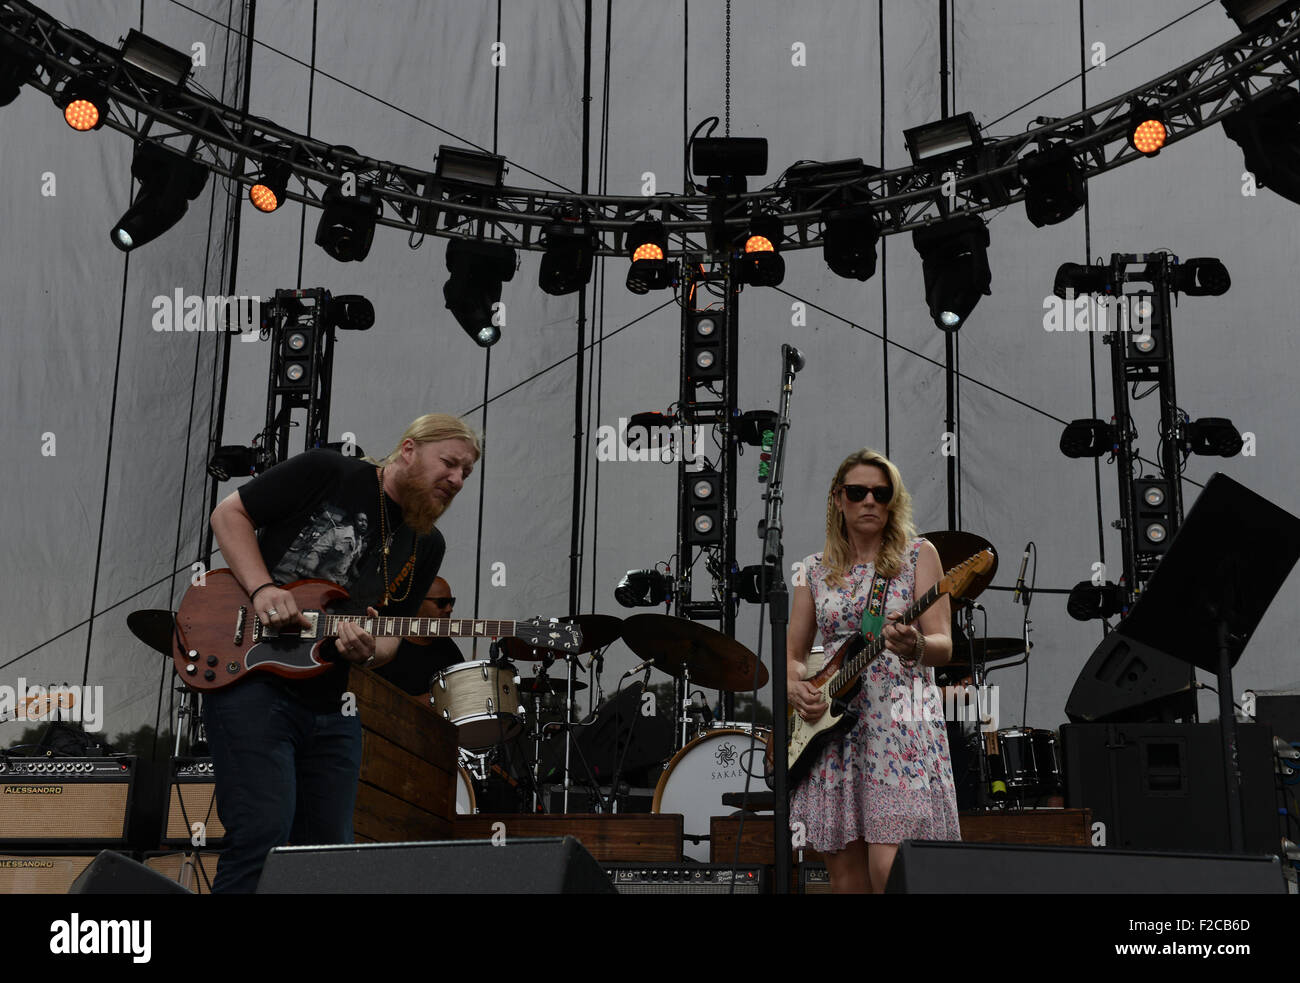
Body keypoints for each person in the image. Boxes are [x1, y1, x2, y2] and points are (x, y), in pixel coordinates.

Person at [204, 413, 480, 893]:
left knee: (329, 857)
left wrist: (370, 650)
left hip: (332, 705)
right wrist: (264, 588)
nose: (456, 480)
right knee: (262, 834)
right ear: (409, 450)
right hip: (252, 679)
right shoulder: (327, 472)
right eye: (450, 463)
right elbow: (228, 514)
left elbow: (391, 638)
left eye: (466, 474)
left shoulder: (426, 545)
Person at [787, 448, 960, 894]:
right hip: (832, 731)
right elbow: (793, 654)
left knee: (893, 872)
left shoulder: (919, 555)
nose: (869, 501)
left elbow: (943, 645)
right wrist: (794, 685)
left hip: (899, 731)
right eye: (858, 492)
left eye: (881, 493)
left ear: (893, 501)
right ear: (838, 499)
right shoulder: (811, 571)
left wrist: (915, 643)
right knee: (847, 882)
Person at [373, 577, 465, 695]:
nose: (449, 609)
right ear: (418, 602)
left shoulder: (448, 648)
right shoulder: (384, 642)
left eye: (451, 602)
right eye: (442, 603)